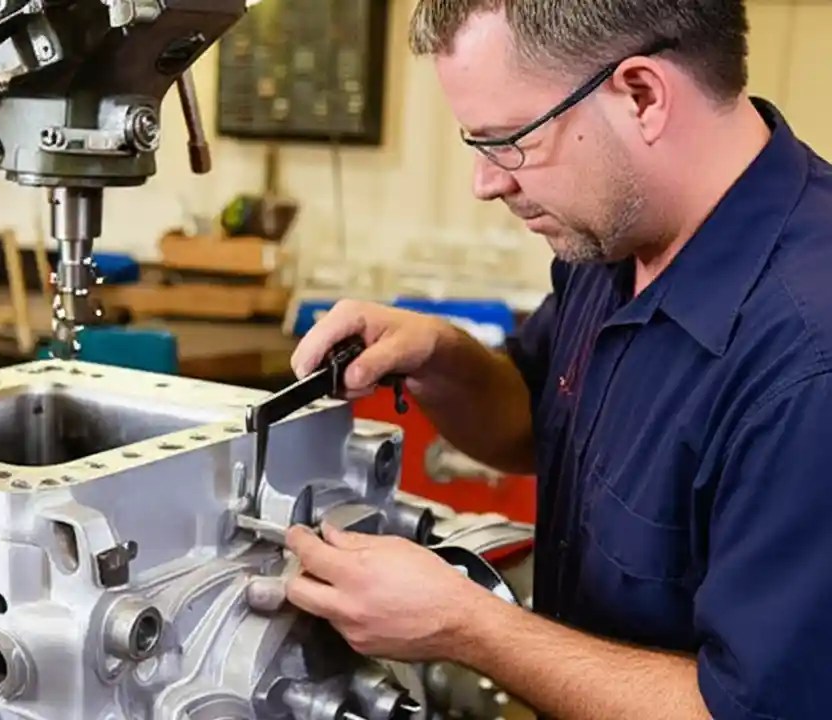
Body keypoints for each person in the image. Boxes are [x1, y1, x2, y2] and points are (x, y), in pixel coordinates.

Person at [283, 2, 832, 718]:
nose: (487, 182)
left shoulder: (806, 365)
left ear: (641, 95)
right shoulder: (611, 238)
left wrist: (466, 625)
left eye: (507, 141)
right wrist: (442, 355)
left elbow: (743, 711)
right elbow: (532, 424)